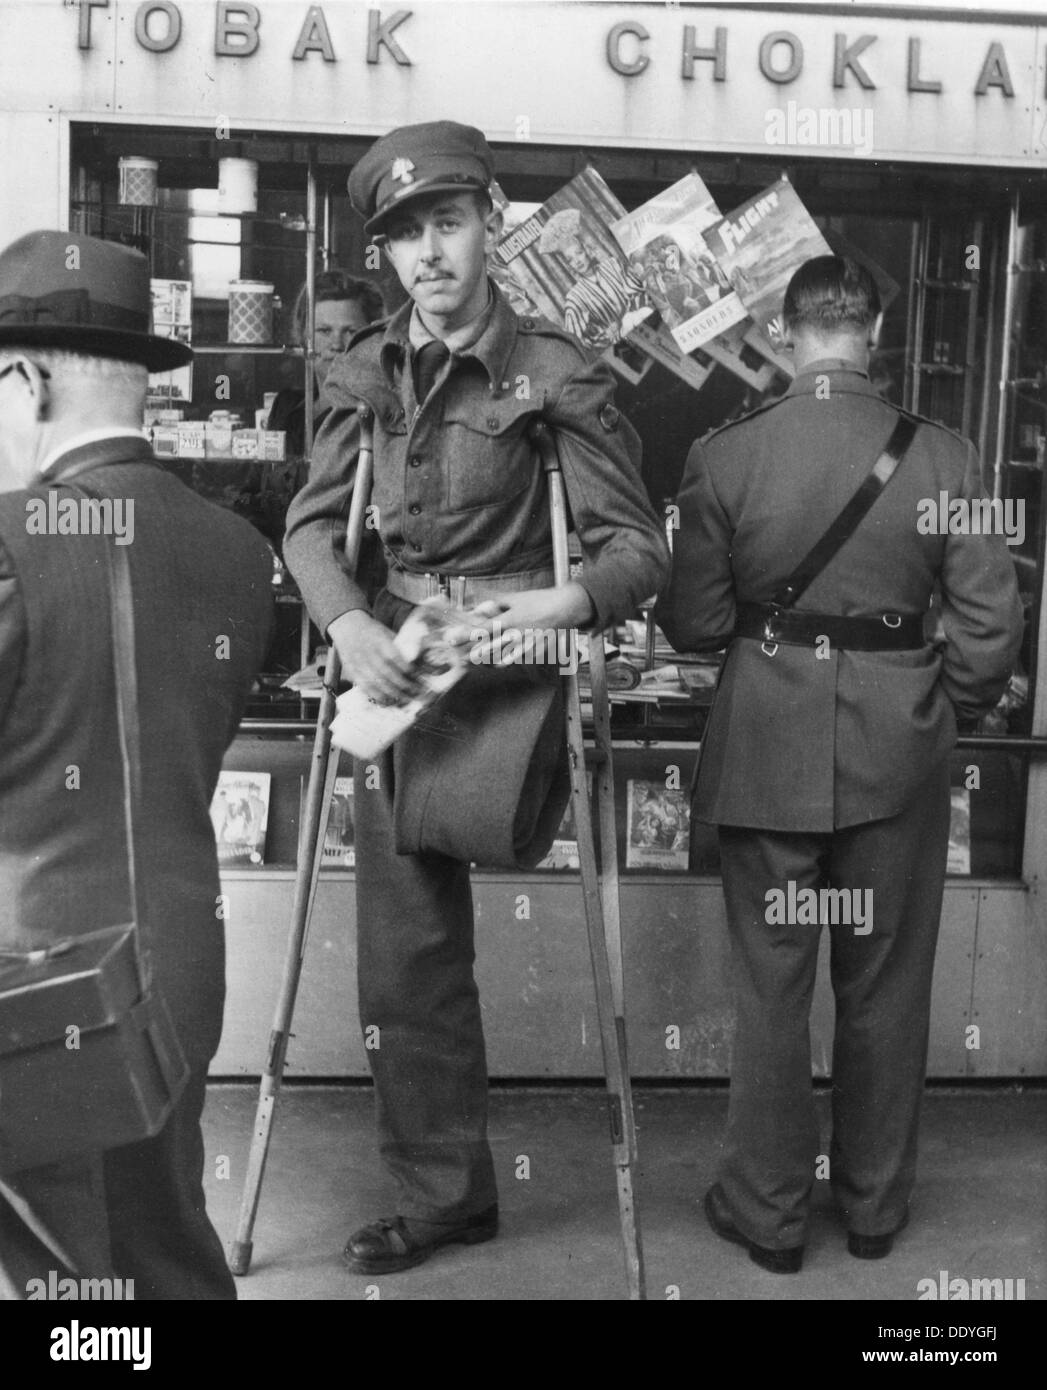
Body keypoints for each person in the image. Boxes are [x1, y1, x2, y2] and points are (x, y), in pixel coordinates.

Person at [283, 119, 669, 1276]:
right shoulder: (364, 372)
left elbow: (634, 553)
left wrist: (535, 616)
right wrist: (351, 626)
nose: (427, 255)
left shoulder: (556, 371)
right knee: (405, 964)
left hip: (512, 677)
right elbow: (309, 529)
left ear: (487, 225)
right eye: (404, 236)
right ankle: (447, 1196)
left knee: (477, 905)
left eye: (446, 224)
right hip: (397, 674)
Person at [657, 256, 1023, 1275]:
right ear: (875, 334)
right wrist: (932, 708)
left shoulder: (722, 456)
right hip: (896, 758)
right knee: (886, 989)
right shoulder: (952, 459)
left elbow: (692, 623)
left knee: (770, 990)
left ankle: (769, 1217)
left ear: (786, 333)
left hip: (766, 750)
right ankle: (872, 1211)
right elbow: (995, 628)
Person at [0, 230, 274, 1299]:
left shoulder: (14, 538)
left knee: (57, 1270)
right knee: (163, 1238)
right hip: (181, 956)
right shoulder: (237, 551)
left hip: (34, 968)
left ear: (26, 379)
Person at [267, 269, 385, 457]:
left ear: (372, 337)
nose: (337, 345)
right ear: (303, 335)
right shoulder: (286, 405)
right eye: (324, 331)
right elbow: (255, 483)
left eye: (350, 331)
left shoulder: (374, 415)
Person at [538, 207, 647, 350]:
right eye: (570, 259)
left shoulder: (613, 265)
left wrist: (629, 315)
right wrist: (606, 335)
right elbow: (577, 339)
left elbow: (640, 291)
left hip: (645, 325)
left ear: (586, 250)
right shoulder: (575, 297)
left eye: (579, 253)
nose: (577, 261)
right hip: (619, 346)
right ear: (568, 265)